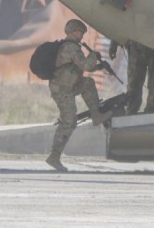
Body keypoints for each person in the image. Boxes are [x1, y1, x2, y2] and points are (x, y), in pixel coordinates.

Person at [44, 19, 111, 172]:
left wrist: (100, 66)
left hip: (68, 86)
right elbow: (86, 64)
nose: (81, 36)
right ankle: (54, 157)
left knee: (87, 83)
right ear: (72, 32)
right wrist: (93, 55)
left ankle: (96, 115)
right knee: (69, 121)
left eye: (82, 33)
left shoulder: (70, 47)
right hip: (62, 90)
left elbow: (82, 67)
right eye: (79, 32)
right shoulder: (71, 48)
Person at [123, 40, 154, 114]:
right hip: (137, 46)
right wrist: (114, 44)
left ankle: (152, 110)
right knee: (134, 84)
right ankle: (132, 109)